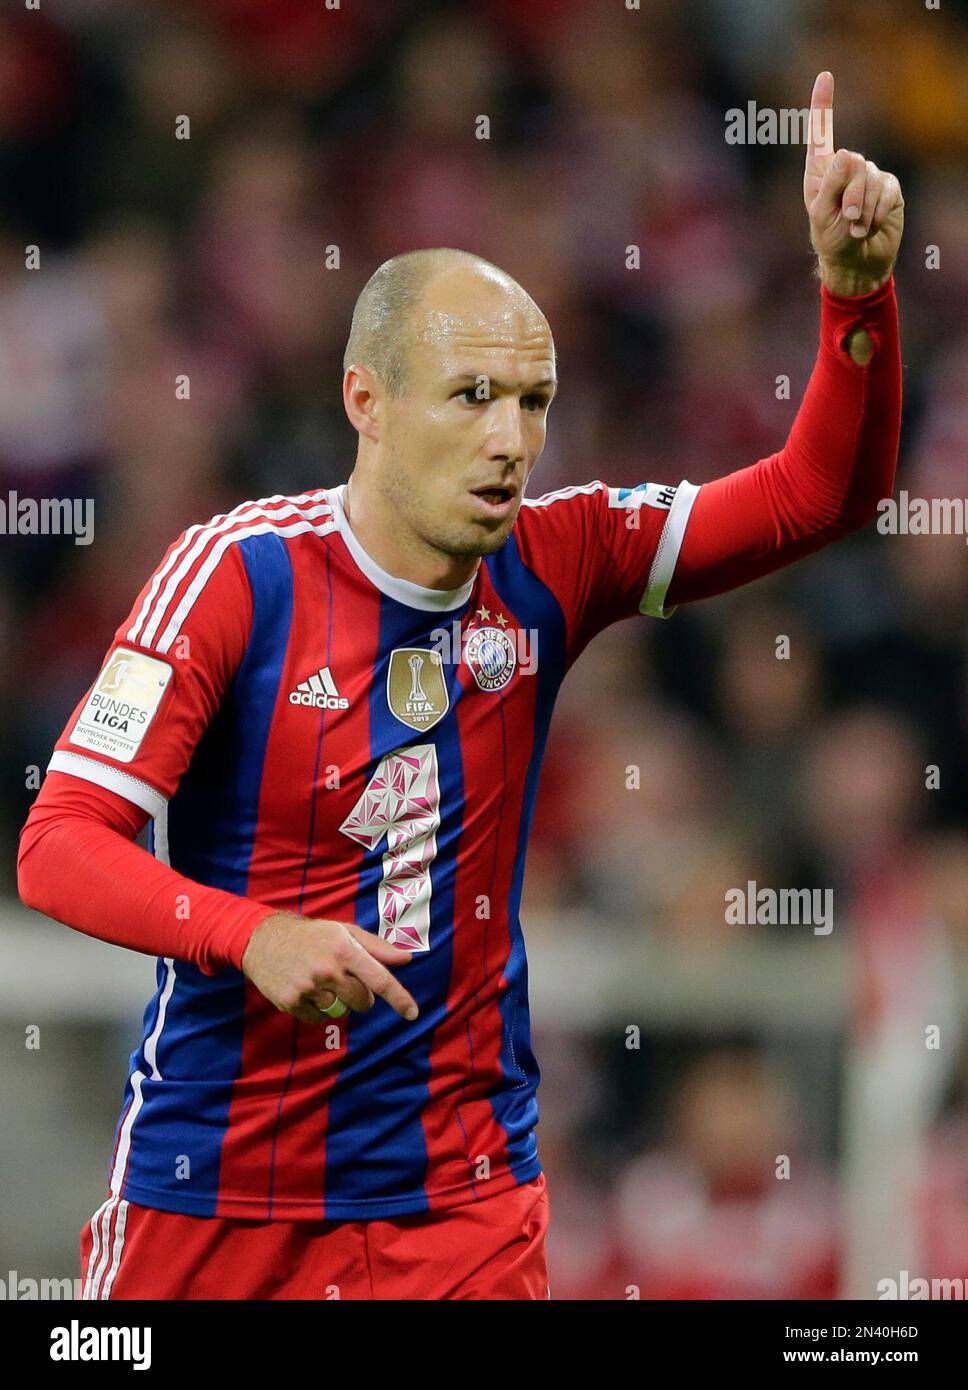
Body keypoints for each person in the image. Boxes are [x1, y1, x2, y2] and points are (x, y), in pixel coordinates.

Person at [18, 72, 904, 1300]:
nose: (509, 438)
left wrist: (853, 296)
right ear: (365, 403)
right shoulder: (237, 575)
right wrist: (249, 933)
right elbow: (59, 842)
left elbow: (821, 495)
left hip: (460, 1202)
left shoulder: (560, 554)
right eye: (472, 396)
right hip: (215, 1199)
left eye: (532, 402)